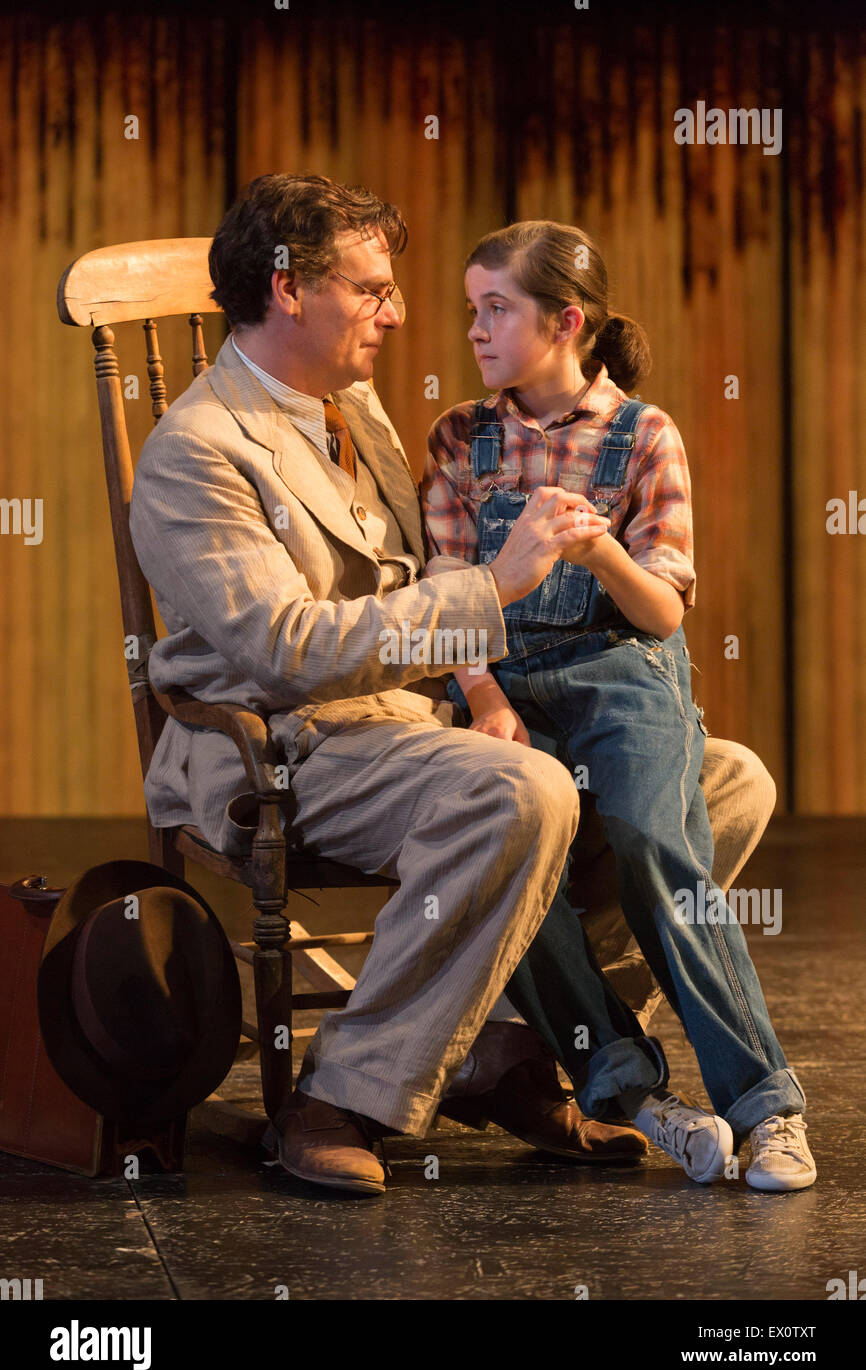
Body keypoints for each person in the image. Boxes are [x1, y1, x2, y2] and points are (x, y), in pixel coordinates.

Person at [128, 174, 778, 1198]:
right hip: (278, 740)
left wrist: (495, 682)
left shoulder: (352, 406)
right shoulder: (195, 453)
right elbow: (281, 650)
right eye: (372, 289)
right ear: (290, 291)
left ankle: (505, 1042)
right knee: (519, 792)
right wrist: (497, 584)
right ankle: (339, 1095)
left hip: (407, 718)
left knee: (726, 778)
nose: (396, 311)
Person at [421, 219, 816, 1192]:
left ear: (566, 320)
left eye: (496, 308)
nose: (474, 329)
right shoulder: (458, 438)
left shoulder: (643, 434)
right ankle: (634, 1094)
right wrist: (479, 696)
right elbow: (441, 590)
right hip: (505, 679)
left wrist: (597, 549)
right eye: (471, 309)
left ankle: (763, 1106)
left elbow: (662, 611)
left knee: (652, 842)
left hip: (619, 670)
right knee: (517, 863)